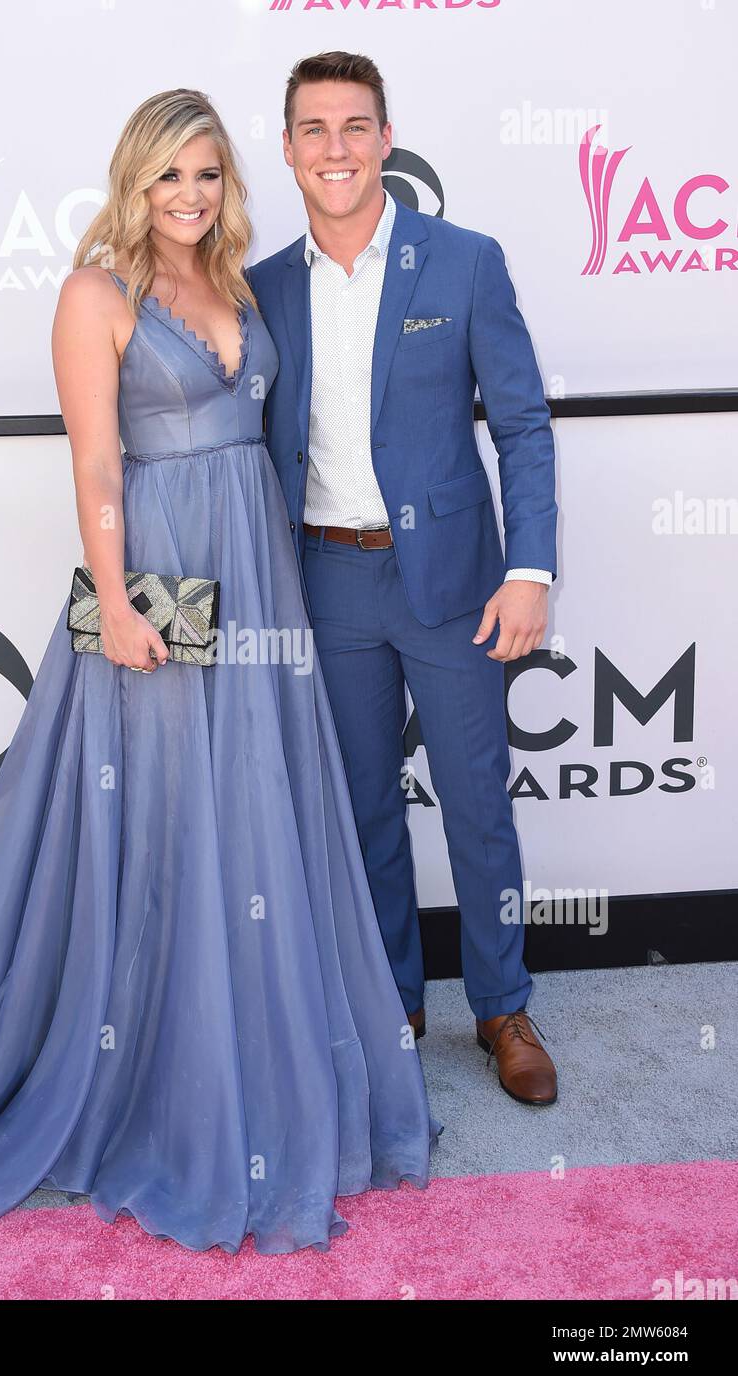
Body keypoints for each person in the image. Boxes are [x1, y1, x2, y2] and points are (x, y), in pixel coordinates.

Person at [0, 88, 442, 1255]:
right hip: (166, 575)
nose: (186, 195)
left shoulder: (234, 283)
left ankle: (254, 1036)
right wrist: (122, 598)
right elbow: (94, 457)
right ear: (131, 182)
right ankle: (155, 1062)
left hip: (260, 566)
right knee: (169, 809)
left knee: (257, 804)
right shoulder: (95, 292)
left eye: (204, 174)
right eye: (165, 177)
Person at [247, 52, 559, 1105]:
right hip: (328, 581)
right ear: (287, 148)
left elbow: (519, 423)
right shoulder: (263, 290)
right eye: (313, 128)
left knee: (476, 803)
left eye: (353, 126)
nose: (333, 148)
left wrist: (529, 567)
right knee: (363, 807)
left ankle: (503, 1007)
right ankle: (393, 1003)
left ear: (385, 139)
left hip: (456, 585)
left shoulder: (464, 262)